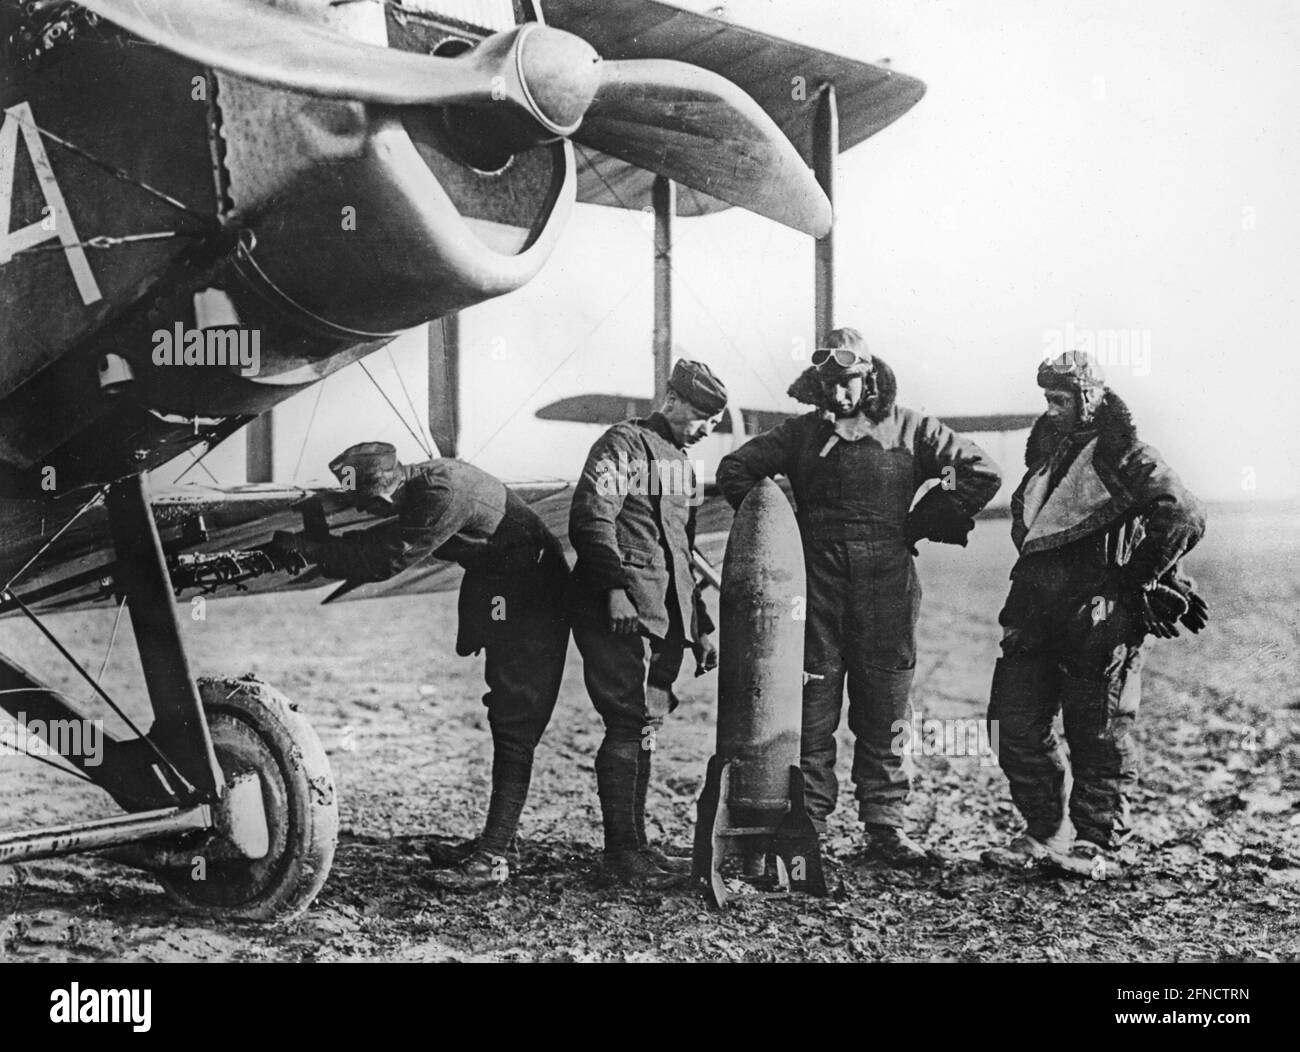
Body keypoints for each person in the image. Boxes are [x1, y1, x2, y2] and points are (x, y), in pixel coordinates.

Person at [716, 327, 1002, 865]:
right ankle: (807, 825)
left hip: (887, 587)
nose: (838, 393)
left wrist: (926, 518)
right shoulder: (801, 434)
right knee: (812, 708)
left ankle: (885, 826)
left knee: (886, 707)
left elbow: (978, 471)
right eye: (829, 383)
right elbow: (737, 468)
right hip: (816, 589)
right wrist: (780, 527)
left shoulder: (912, 429)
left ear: (869, 378)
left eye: (848, 382)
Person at [270, 443, 570, 891]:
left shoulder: (440, 496)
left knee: (515, 726)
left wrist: (312, 547)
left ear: (381, 494)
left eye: (365, 503)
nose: (364, 511)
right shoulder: (425, 481)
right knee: (506, 719)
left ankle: (492, 857)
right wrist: (319, 533)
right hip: (511, 590)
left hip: (534, 599)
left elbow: (385, 559)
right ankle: (498, 842)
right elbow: (385, 539)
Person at [982, 351, 1207, 878]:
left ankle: (1093, 843)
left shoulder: (1129, 457)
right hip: (1035, 613)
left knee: (1098, 734)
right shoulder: (1046, 458)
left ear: (1091, 398)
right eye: (1048, 399)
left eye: (1061, 399)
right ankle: (1045, 830)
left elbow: (1184, 513)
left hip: (1099, 619)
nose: (1052, 409)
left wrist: (1137, 583)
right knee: (1008, 725)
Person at [568, 359, 727, 887]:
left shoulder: (681, 465)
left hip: (664, 619)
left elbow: (684, 553)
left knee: (646, 724)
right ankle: (621, 854)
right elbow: (592, 516)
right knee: (628, 721)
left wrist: (702, 626)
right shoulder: (623, 443)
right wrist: (613, 590)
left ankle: (636, 846)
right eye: (702, 417)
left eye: (715, 421)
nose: (707, 429)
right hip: (621, 613)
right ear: (672, 400)